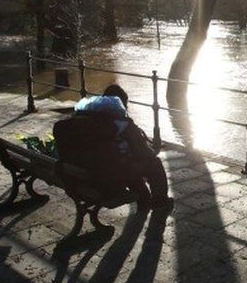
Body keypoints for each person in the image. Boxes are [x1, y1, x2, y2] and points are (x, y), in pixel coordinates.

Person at [53, 84, 173, 212]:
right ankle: (160, 203)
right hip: (107, 181)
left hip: (80, 178)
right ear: (121, 105)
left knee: (120, 160)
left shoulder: (79, 119)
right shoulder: (122, 124)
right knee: (154, 163)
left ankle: (143, 198)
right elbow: (145, 154)